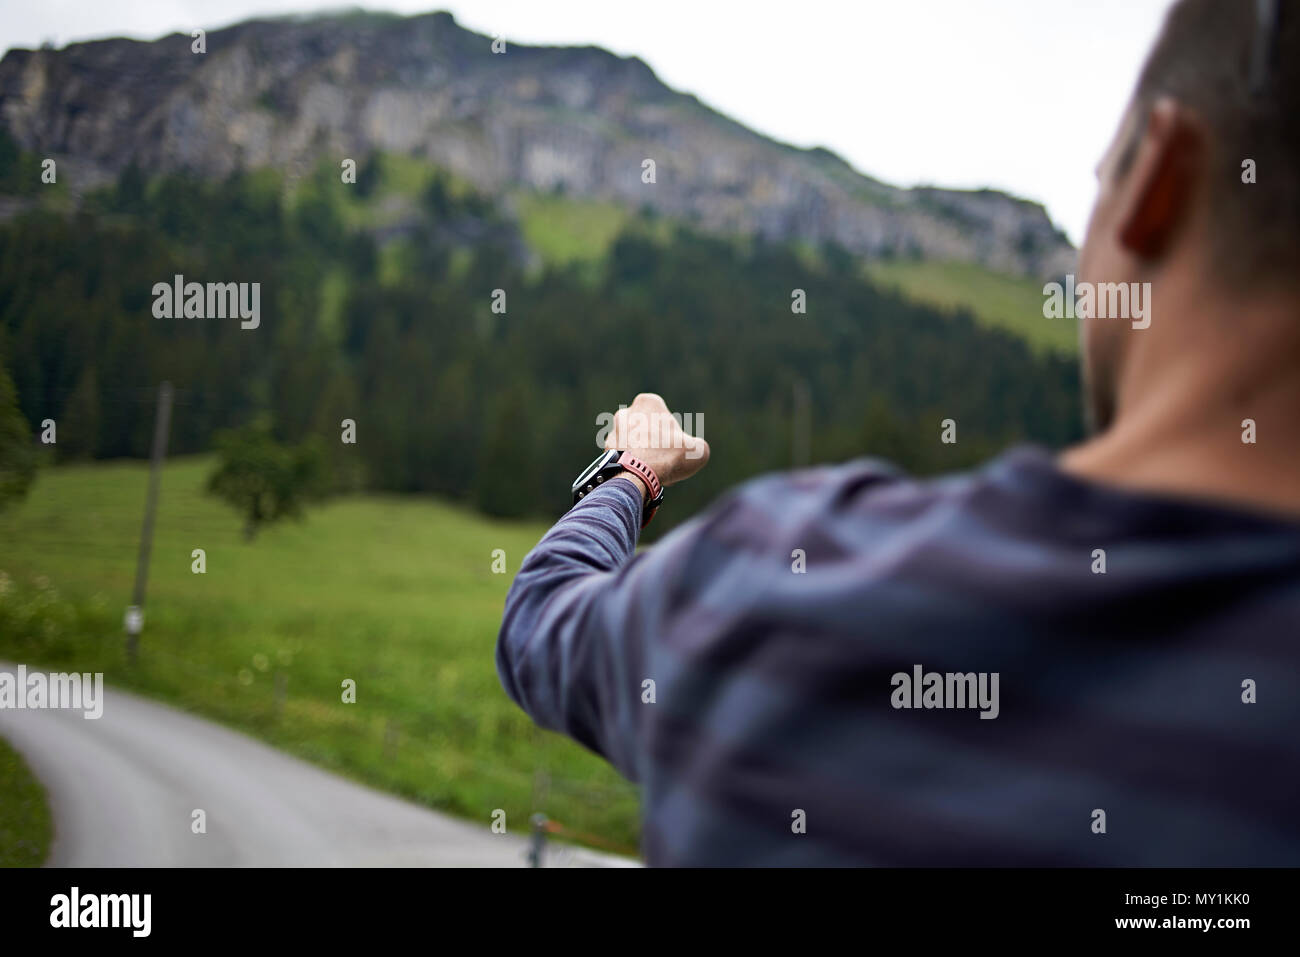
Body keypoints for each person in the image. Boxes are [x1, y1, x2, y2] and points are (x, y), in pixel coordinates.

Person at [496, 0, 1300, 865]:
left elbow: (542, 611)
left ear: (1157, 181)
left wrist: (637, 472)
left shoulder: (777, 583)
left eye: (1103, 177)